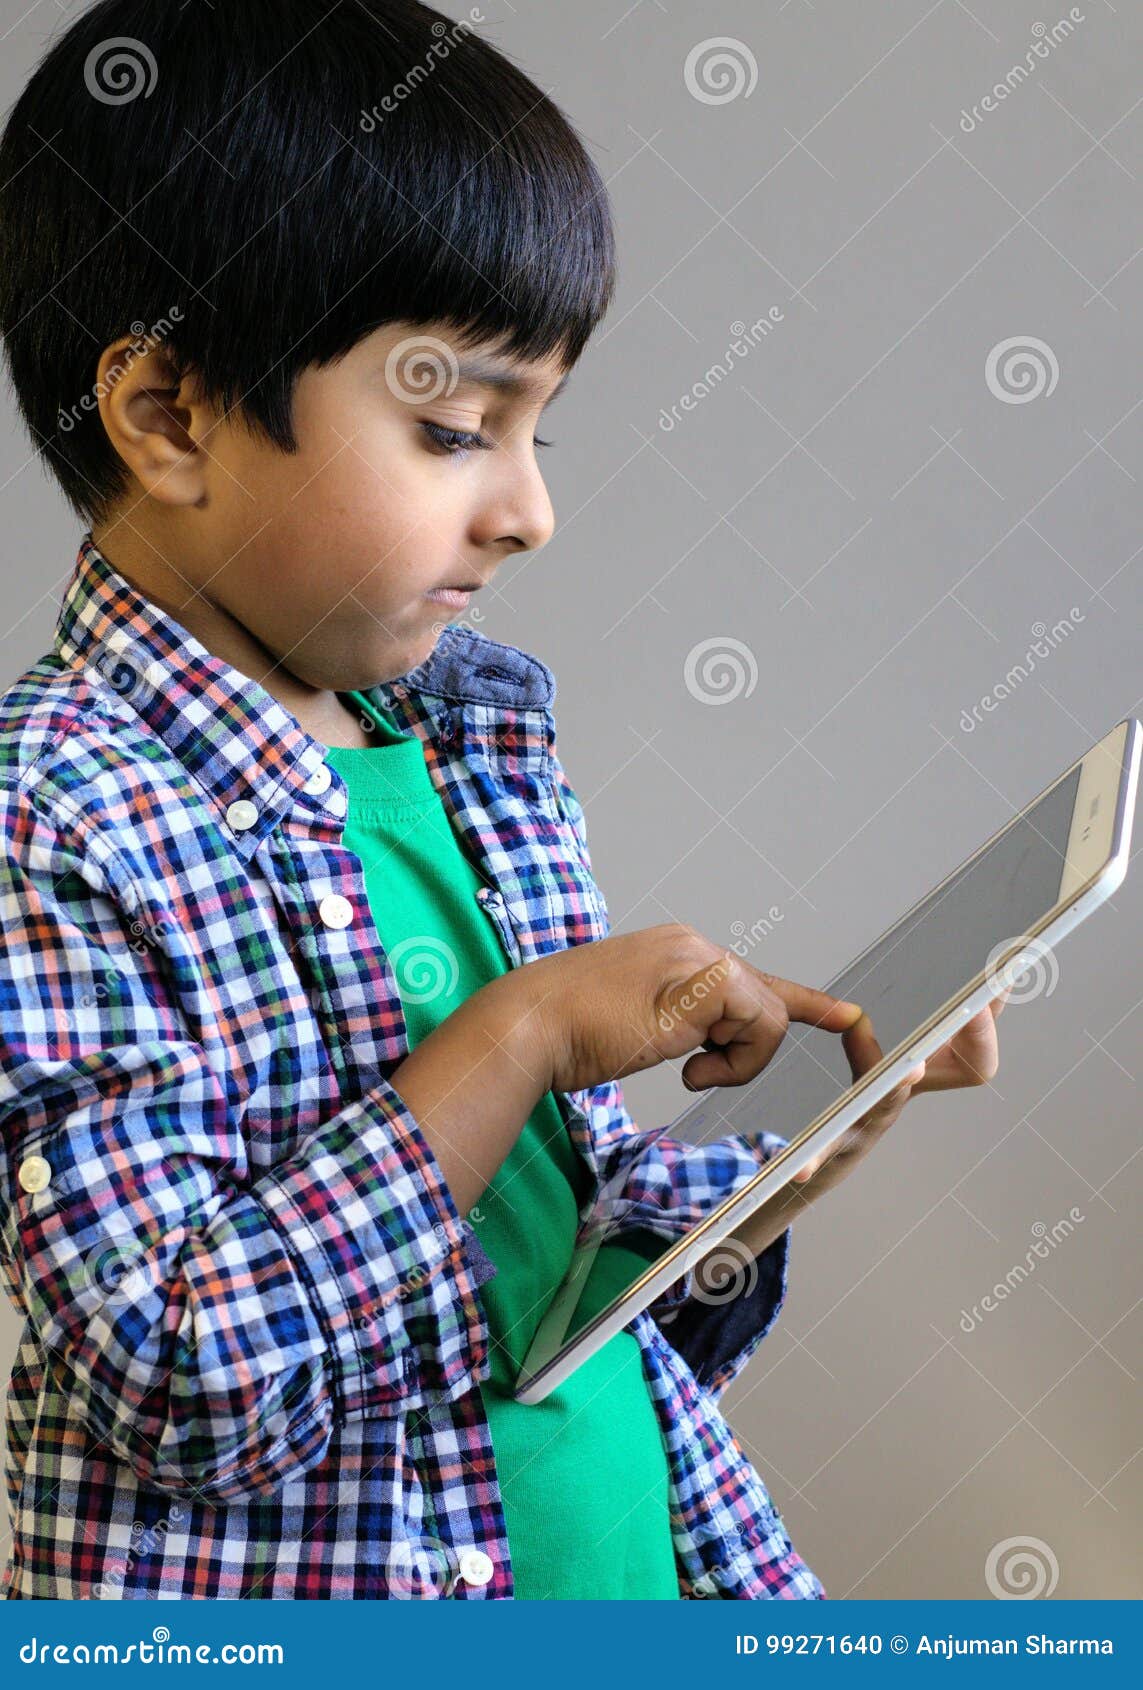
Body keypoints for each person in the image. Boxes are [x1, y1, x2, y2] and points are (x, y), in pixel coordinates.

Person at [0, 0, 1005, 1601]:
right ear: (169, 413)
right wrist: (521, 1028)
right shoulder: (52, 814)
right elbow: (174, 1368)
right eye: (457, 429)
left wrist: (802, 1143)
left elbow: (541, 1241)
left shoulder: (469, 744)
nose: (531, 508)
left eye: (539, 429)